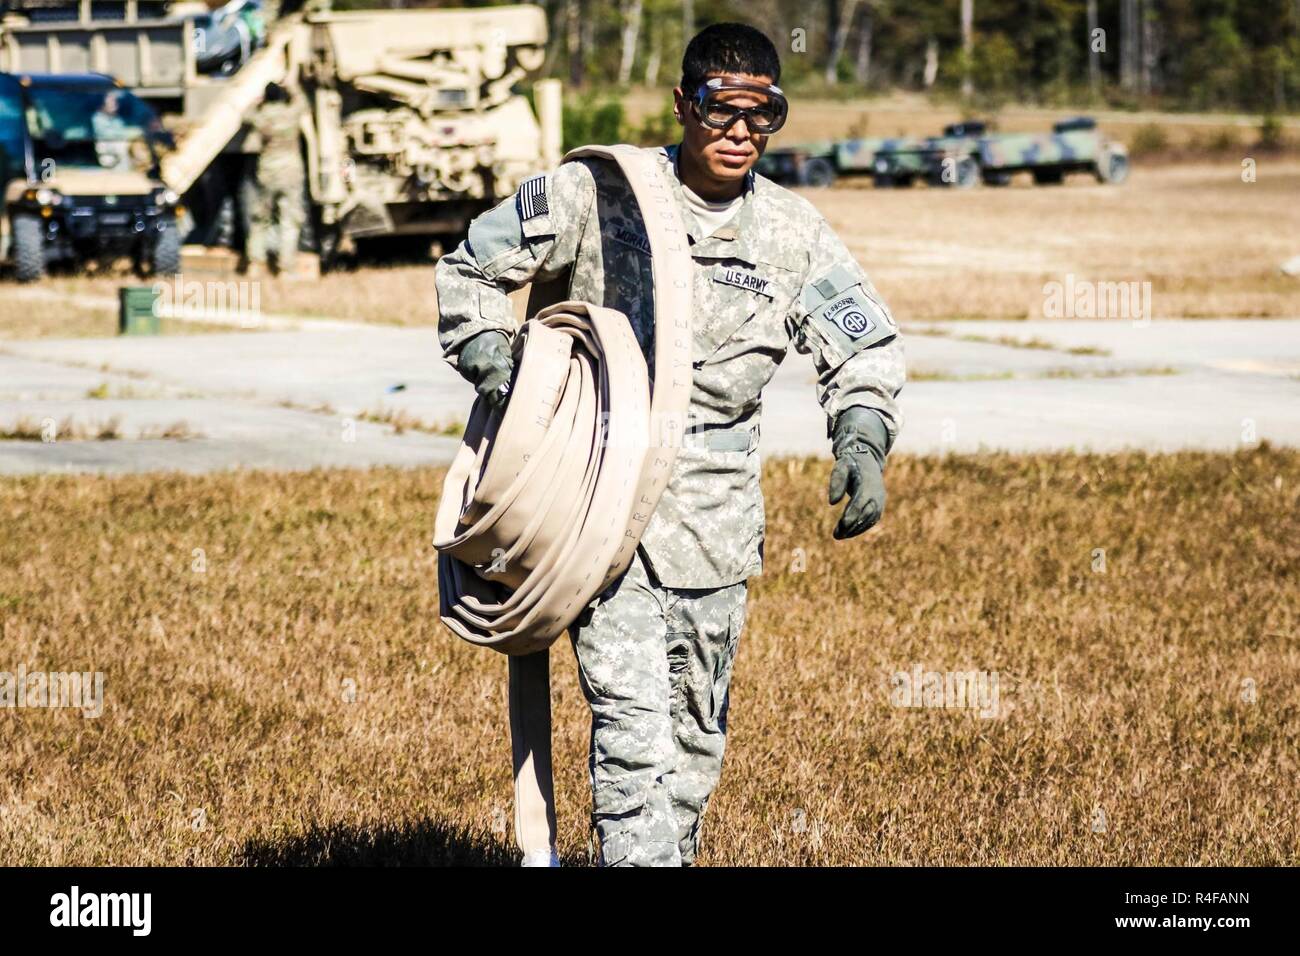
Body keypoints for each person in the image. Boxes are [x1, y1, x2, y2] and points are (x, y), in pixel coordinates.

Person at [435, 22, 905, 867]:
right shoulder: (598, 193)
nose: (739, 133)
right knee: (634, 738)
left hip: (718, 530)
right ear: (685, 104)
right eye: (723, 109)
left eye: (763, 116)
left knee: (694, 751)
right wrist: (501, 369)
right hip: (601, 513)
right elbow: (469, 270)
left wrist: (863, 435)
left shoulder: (792, 232)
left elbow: (862, 344)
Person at [245, 81, 306, 278]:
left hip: (267, 172)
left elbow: (245, 115)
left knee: (260, 218)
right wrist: (292, 87)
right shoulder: (290, 113)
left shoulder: (262, 117)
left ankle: (255, 263)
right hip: (290, 172)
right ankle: (286, 268)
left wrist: (258, 102)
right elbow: (303, 102)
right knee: (290, 220)